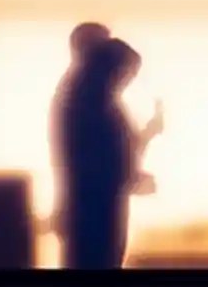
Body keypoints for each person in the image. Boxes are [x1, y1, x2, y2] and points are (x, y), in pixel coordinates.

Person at [53, 37, 162, 269]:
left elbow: (118, 156)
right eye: (127, 74)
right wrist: (132, 178)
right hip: (95, 212)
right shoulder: (94, 107)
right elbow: (104, 162)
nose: (127, 81)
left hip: (98, 209)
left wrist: (148, 134)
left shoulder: (87, 102)